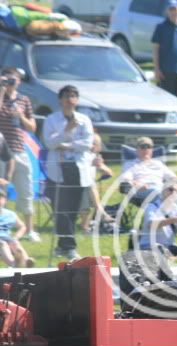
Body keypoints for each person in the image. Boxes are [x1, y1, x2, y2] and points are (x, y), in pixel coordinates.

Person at [43, 85, 95, 260]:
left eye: (73, 96)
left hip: (78, 168)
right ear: (60, 99)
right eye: (66, 96)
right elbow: (49, 143)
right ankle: (69, 246)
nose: (70, 99)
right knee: (60, 208)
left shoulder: (84, 119)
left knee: (72, 210)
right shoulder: (51, 119)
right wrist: (67, 131)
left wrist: (65, 144)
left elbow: (87, 144)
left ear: (77, 100)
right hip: (58, 168)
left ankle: (63, 246)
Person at [0, 67, 38, 242]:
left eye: (13, 80)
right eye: (8, 80)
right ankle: (3, 229)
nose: (10, 84)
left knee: (26, 190)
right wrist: (1, 90)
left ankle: (29, 230)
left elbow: (32, 127)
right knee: (1, 191)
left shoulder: (24, 100)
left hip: (19, 150)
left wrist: (21, 116)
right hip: (1, 152)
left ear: (19, 82)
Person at [138, 182, 177, 253]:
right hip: (149, 246)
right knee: (160, 249)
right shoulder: (152, 206)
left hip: (168, 247)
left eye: (176, 191)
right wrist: (174, 220)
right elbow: (151, 224)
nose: (173, 193)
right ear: (163, 191)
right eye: (170, 189)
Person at [151, 0, 177, 102]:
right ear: (168, 11)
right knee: (165, 101)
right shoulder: (161, 27)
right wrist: (157, 69)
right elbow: (156, 49)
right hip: (166, 71)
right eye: (171, 10)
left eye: (176, 9)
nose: (174, 12)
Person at [118, 136, 177, 206]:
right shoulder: (130, 164)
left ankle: (172, 214)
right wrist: (137, 184)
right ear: (137, 149)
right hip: (142, 189)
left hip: (160, 188)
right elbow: (126, 180)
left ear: (152, 150)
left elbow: (173, 177)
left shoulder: (158, 163)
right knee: (158, 192)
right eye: (143, 147)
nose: (146, 149)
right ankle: (165, 214)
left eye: (149, 147)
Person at [79, 134, 113, 233]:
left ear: (99, 146)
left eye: (95, 144)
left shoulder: (94, 157)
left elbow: (110, 173)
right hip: (75, 188)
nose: (92, 146)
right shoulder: (81, 155)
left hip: (87, 189)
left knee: (89, 185)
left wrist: (101, 167)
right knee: (89, 185)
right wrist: (91, 163)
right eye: (91, 143)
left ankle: (86, 226)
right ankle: (100, 212)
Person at [0, 188, 34, 267]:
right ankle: (13, 264)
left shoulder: (10, 214)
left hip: (6, 238)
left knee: (15, 243)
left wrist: (16, 236)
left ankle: (26, 261)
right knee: (3, 244)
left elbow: (22, 226)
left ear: (5, 200)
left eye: (1, 198)